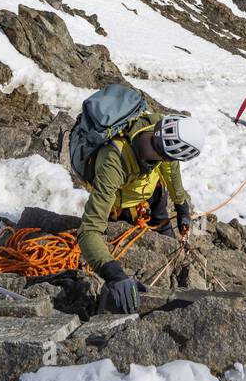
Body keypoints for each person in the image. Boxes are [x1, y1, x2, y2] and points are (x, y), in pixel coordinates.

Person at [78, 111, 205, 314]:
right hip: (121, 207)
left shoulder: (157, 128)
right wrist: (113, 273)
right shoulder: (114, 161)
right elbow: (89, 230)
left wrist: (182, 207)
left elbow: (171, 170)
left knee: (168, 239)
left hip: (153, 197)